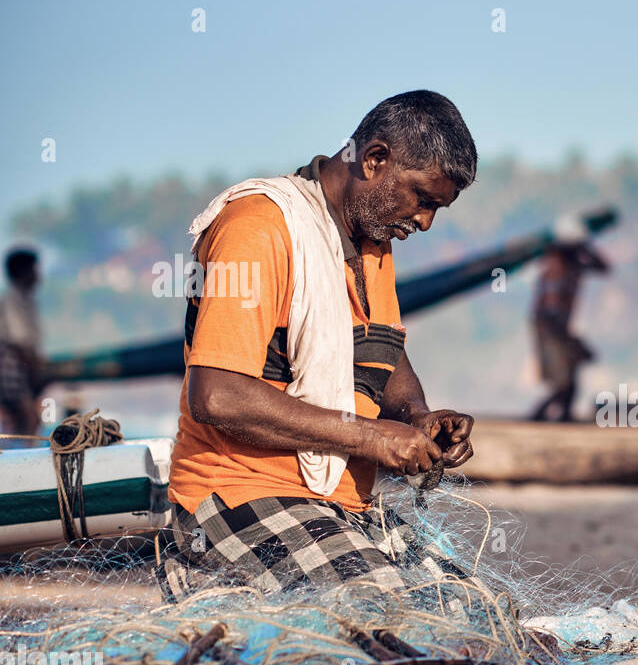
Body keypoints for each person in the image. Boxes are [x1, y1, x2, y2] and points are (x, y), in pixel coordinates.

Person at [156, 91, 478, 601]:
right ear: (374, 160)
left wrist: (417, 415)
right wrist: (370, 438)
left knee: (482, 615)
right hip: (239, 499)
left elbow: (379, 348)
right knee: (398, 619)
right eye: (423, 199)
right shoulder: (259, 227)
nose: (425, 222)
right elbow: (216, 395)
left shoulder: (370, 239)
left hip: (341, 508)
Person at [529, 215, 608, 421]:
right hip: (549, 324)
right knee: (564, 380)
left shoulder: (574, 263)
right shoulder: (556, 262)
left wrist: (586, 248)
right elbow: (552, 301)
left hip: (558, 325)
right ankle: (540, 416)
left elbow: (604, 268)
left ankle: (559, 415)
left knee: (570, 377)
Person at [0, 247, 43, 437]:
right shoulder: (12, 300)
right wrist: (35, 368)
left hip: (21, 364)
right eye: (34, 269)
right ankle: (23, 457)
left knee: (26, 417)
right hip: (11, 364)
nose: (38, 275)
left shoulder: (26, 300)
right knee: (29, 416)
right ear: (23, 272)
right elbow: (19, 341)